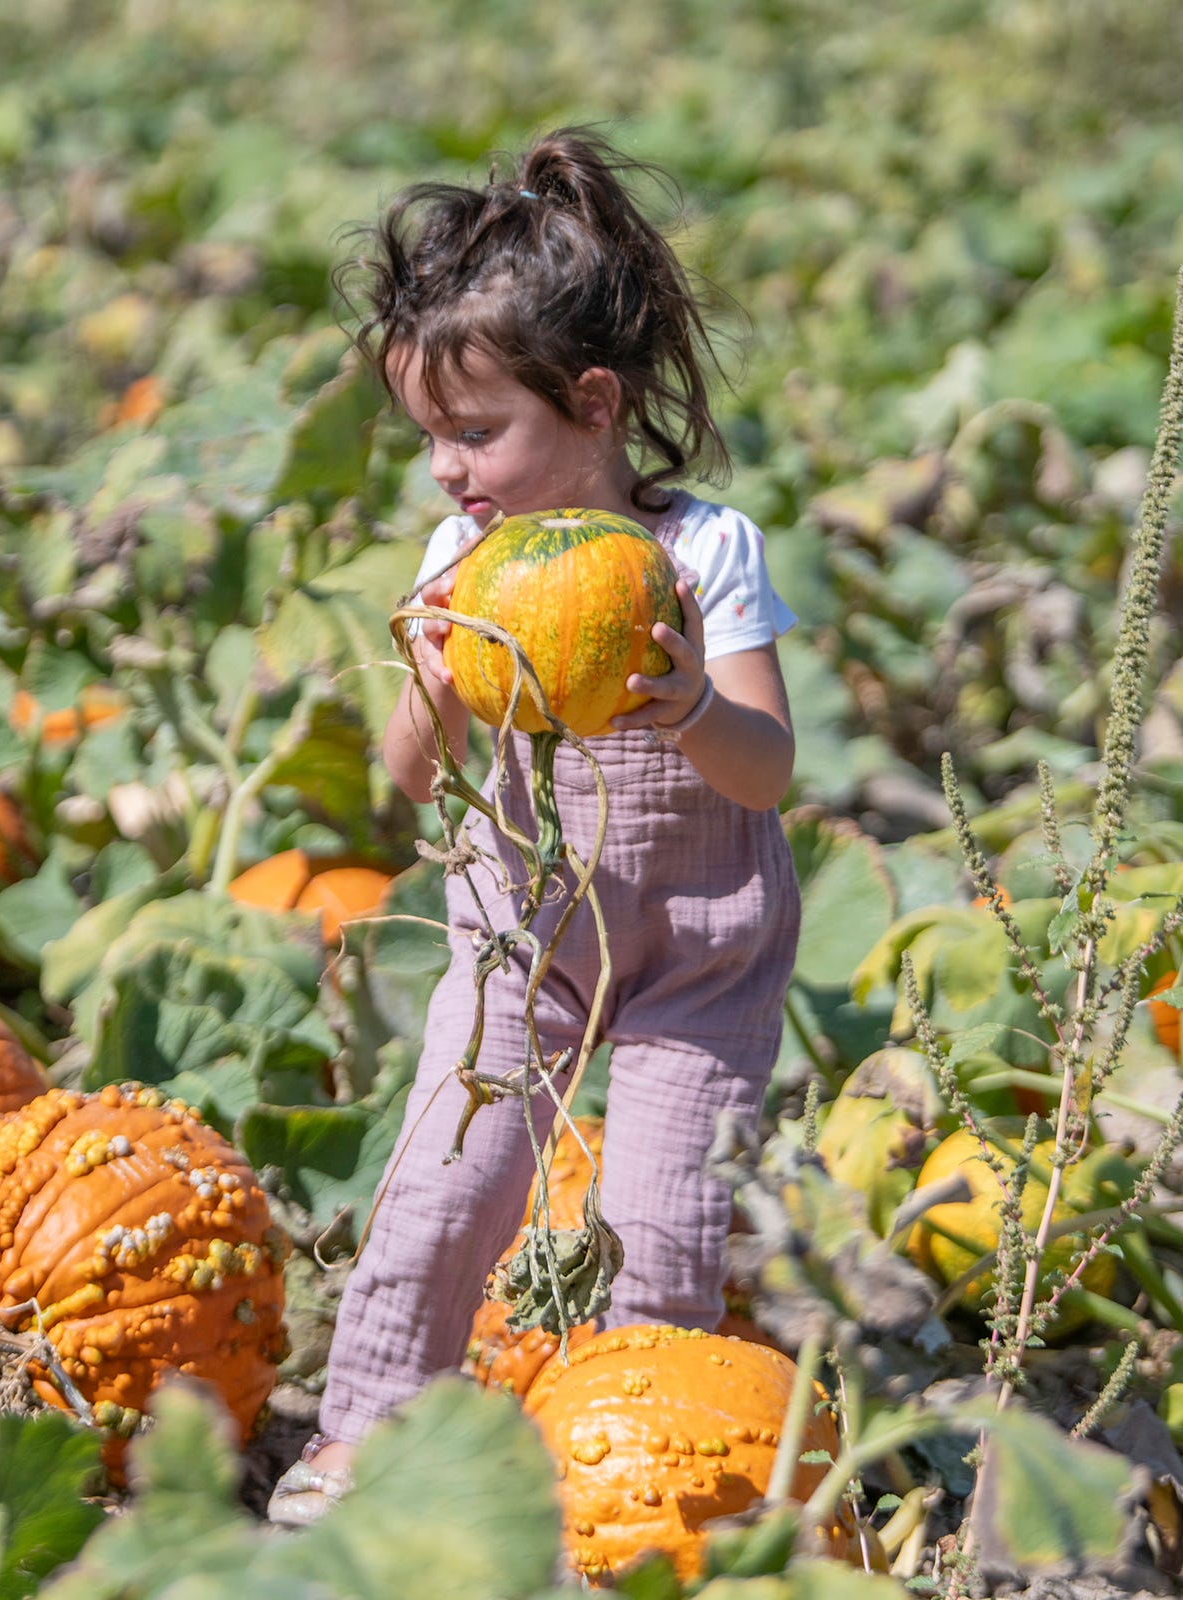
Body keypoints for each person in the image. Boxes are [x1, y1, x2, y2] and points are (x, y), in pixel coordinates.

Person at [270, 128, 801, 1523]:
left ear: (598, 405)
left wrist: (690, 703)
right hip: (525, 937)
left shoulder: (702, 557)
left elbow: (769, 772)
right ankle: (358, 1441)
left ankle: (627, 1484)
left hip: (700, 953)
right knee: (444, 1189)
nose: (445, 469)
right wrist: (435, 686)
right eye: (429, 438)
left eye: (476, 433)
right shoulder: (465, 557)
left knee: (662, 1236)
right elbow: (404, 774)